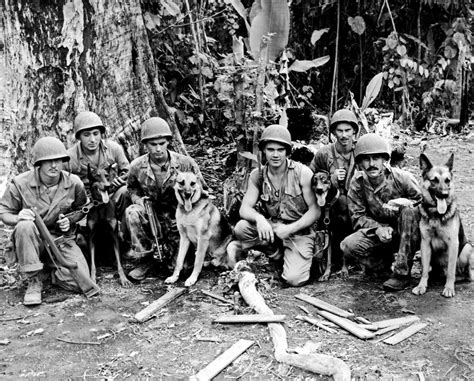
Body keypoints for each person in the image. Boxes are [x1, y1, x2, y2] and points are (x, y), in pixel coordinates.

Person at [0, 137, 99, 305]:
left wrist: (69, 221)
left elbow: (81, 209)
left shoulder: (74, 183)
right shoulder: (20, 183)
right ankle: (34, 281)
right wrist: (18, 217)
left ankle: (49, 270)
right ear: (39, 163)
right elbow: (3, 212)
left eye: (58, 160)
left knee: (81, 284)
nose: (54, 165)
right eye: (48, 161)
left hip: (60, 240)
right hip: (33, 240)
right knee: (25, 226)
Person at [227, 124, 320, 287]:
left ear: (287, 151)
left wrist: (290, 229)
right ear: (263, 150)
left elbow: (315, 211)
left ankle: (297, 257)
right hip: (274, 228)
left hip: (299, 232)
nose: (275, 155)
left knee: (294, 279)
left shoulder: (302, 173)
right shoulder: (258, 176)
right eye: (271, 149)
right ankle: (277, 255)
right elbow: (244, 208)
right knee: (242, 228)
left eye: (280, 150)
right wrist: (260, 219)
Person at [124, 116, 204, 281]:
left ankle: (169, 257)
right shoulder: (137, 166)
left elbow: (201, 188)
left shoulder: (185, 163)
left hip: (178, 215)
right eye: (153, 145)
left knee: (182, 270)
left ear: (169, 142)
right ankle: (146, 259)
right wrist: (140, 201)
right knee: (133, 212)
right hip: (151, 213)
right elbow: (132, 188)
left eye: (162, 143)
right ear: (145, 145)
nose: (158, 149)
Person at [340, 133, 422, 291]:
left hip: (410, 233)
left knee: (408, 213)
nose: (371, 164)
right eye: (366, 159)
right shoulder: (357, 184)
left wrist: (408, 204)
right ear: (359, 163)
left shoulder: (402, 179)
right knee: (348, 245)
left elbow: (425, 203)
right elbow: (358, 216)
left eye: (376, 158)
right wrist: (378, 229)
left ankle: (402, 274)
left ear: (385, 160)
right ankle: (383, 266)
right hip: (382, 235)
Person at [309, 109, 359, 271]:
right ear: (333, 133)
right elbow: (311, 177)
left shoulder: (361, 152)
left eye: (348, 130)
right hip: (331, 207)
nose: (344, 135)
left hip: (357, 206)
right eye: (340, 131)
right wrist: (331, 178)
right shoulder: (324, 153)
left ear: (354, 132)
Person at [67, 111, 130, 218]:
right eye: (86, 135)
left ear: (101, 134)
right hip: (86, 203)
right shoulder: (70, 157)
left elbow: (128, 171)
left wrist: (121, 179)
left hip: (110, 195)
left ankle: (122, 225)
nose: (92, 140)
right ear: (79, 137)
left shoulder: (113, 149)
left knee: (125, 191)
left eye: (96, 134)